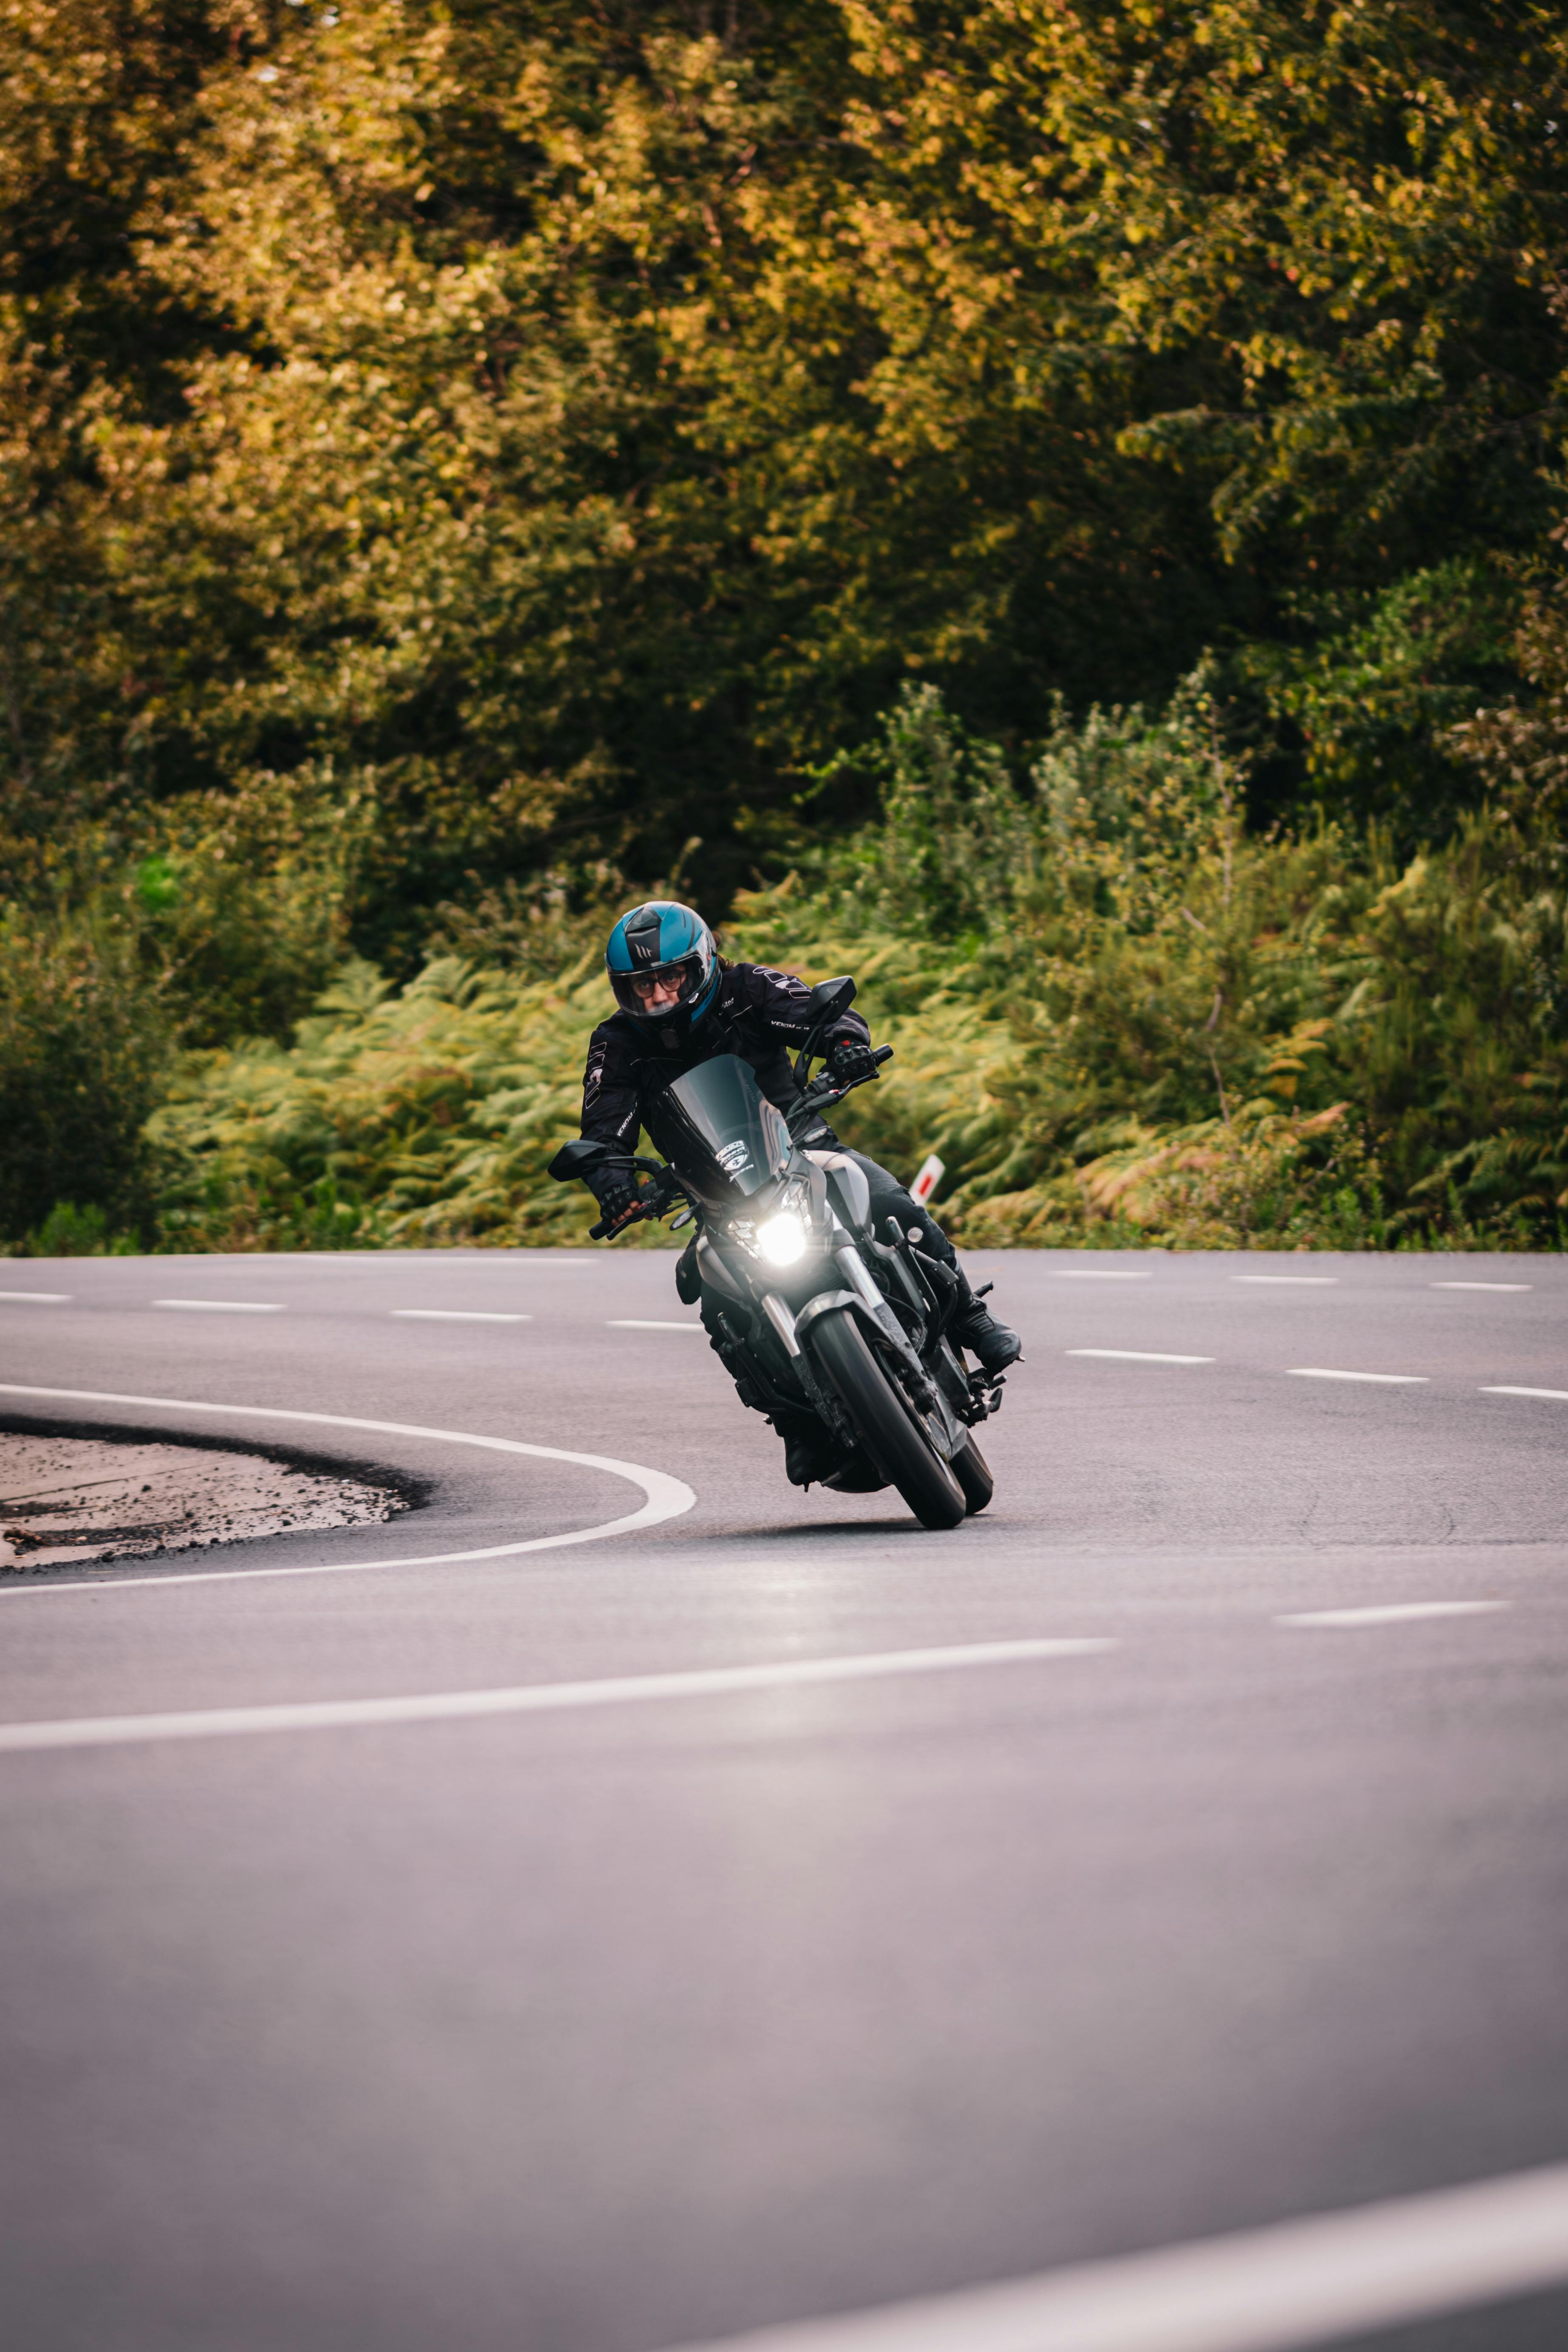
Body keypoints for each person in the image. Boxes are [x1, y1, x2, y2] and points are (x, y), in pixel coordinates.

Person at [575, 899, 1022, 1485]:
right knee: (717, 1302)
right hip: (716, 1192)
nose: (657, 997)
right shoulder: (617, 1042)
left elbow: (815, 1011)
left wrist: (843, 1045)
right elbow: (603, 1126)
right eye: (641, 987)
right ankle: (798, 1427)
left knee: (886, 1197)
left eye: (669, 978)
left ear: (701, 964)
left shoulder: (744, 987)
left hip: (796, 1143)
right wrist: (613, 1184)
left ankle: (970, 1316)